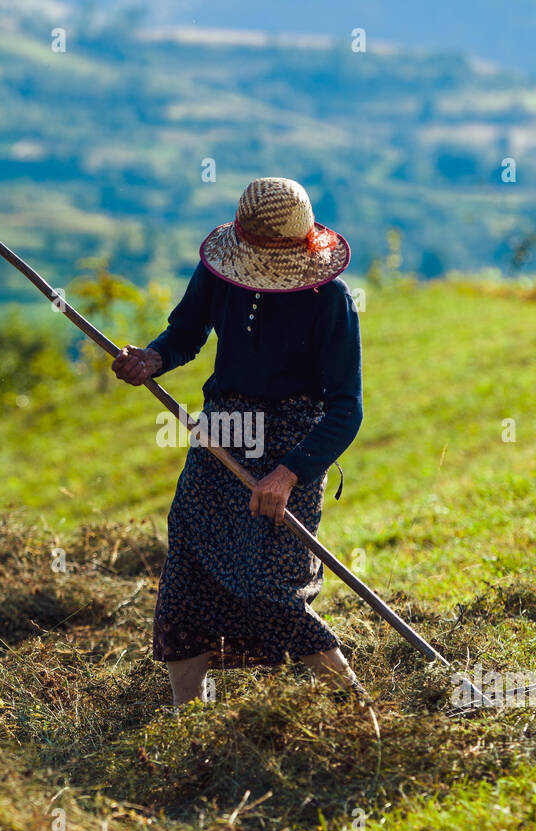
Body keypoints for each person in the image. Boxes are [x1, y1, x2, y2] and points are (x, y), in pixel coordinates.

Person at [112, 177, 369, 707]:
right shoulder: (221, 272)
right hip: (225, 428)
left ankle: (355, 706)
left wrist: (290, 473)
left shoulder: (332, 301)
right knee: (189, 573)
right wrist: (153, 359)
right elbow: (185, 333)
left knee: (274, 586)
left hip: (294, 439)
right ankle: (189, 717)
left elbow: (346, 408)